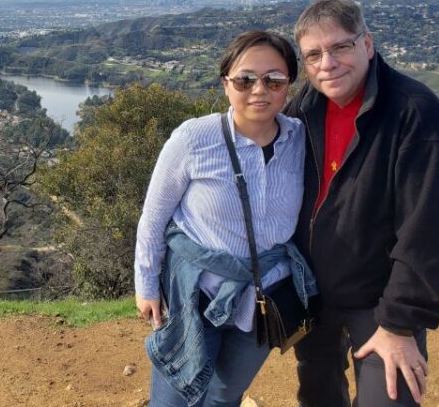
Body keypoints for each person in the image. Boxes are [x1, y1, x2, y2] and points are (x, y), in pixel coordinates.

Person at [285, 0, 439, 406]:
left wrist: (401, 325)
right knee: (317, 398)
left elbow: (435, 228)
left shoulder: (413, 112)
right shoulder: (305, 107)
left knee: (387, 399)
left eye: (340, 47)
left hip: (382, 306)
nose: (326, 64)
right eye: (313, 54)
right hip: (316, 298)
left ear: (367, 44)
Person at [135, 30, 316, 407]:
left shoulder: (301, 139)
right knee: (175, 392)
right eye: (245, 79)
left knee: (224, 395)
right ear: (226, 84)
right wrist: (146, 284)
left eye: (274, 80)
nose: (259, 90)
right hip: (197, 292)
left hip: (263, 296)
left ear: (289, 86)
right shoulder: (194, 138)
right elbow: (154, 216)